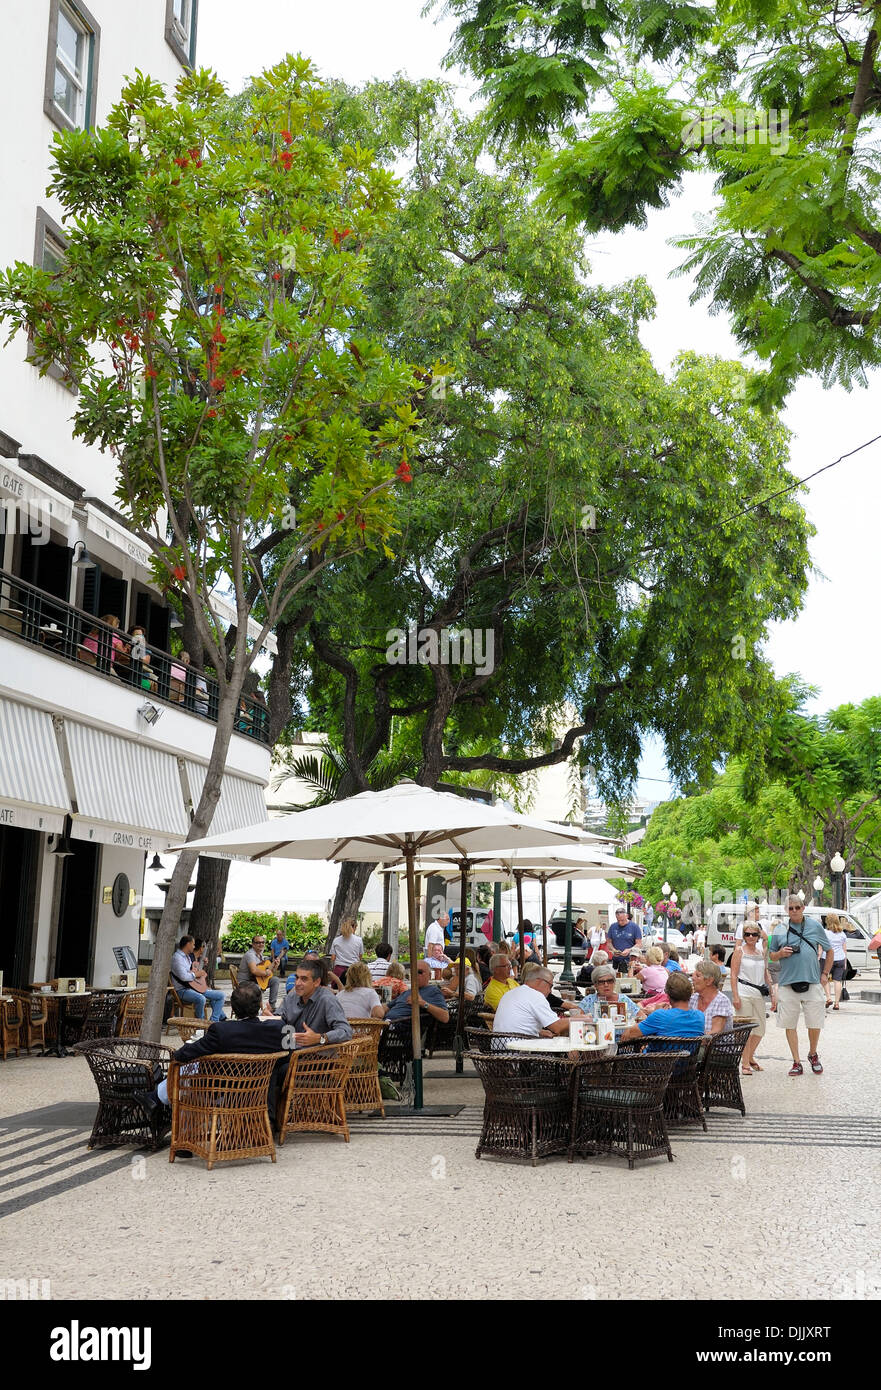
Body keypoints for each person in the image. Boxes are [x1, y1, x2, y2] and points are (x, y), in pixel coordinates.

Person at [143, 983, 288, 1135]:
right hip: (259, 1091)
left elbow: (181, 1055)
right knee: (193, 1069)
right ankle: (156, 1098)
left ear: (233, 1007)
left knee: (188, 1068)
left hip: (220, 1092)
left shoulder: (221, 1030)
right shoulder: (278, 1029)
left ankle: (160, 1103)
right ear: (259, 1006)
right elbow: (289, 1054)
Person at [769, 895, 833, 1075]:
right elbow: (771, 955)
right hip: (788, 984)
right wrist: (781, 953)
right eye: (791, 908)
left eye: (797, 907)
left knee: (815, 1023)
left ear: (803, 908)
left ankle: (813, 1054)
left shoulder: (815, 926)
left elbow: (829, 951)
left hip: (812, 982)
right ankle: (796, 1062)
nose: (794, 911)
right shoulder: (781, 929)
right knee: (790, 1024)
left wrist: (825, 974)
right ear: (786, 910)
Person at [730, 923, 772, 1074]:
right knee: (745, 1030)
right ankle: (745, 1063)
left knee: (760, 1029)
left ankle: (749, 1056)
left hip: (758, 993)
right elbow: (733, 975)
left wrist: (773, 993)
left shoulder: (760, 952)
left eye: (754, 934)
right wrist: (735, 996)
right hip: (743, 992)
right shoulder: (739, 951)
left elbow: (766, 973)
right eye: (747, 934)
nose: (750, 937)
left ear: (758, 936)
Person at [280, 959, 353, 1046]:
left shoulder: (327, 999)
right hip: (289, 1048)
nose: (297, 983)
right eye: (297, 978)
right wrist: (270, 1018)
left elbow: (346, 1031)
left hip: (316, 1056)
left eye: (304, 979)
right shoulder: (292, 996)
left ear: (316, 982)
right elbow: (279, 1017)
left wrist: (320, 1038)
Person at [620, 969, 706, 1041]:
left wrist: (654, 1013)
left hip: (657, 1060)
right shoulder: (700, 1016)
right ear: (690, 993)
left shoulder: (660, 1016)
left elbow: (629, 1034)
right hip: (689, 1060)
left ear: (667, 995)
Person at [492, 967, 573, 1037]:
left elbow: (516, 1024)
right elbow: (557, 1027)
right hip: (518, 1051)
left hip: (499, 1048)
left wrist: (539, 1032)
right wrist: (583, 1019)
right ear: (539, 981)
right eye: (550, 986)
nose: (550, 991)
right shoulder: (535, 996)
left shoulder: (511, 993)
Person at [170, 934, 226, 1022]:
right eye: (193, 944)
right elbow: (184, 977)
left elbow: (192, 970)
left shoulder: (187, 957)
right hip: (182, 990)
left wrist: (200, 966)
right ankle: (200, 1024)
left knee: (221, 995)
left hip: (193, 987)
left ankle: (213, 1021)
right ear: (188, 944)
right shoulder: (177, 958)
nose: (194, 946)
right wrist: (196, 974)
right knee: (201, 998)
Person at [385, 960, 450, 1028]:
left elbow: (445, 1017)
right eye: (413, 972)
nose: (415, 975)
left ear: (429, 975)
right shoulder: (407, 992)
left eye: (420, 972)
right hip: (386, 1024)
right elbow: (386, 1007)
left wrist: (423, 1003)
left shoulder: (433, 991)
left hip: (398, 1030)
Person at [690, 960, 735, 1035]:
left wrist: (693, 1040)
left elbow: (715, 1032)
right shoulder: (693, 999)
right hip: (695, 1044)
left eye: (697, 976)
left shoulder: (721, 1001)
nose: (692, 978)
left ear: (709, 981)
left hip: (717, 1045)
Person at [238, 933, 274, 1008]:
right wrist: (265, 973)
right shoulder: (250, 955)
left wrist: (275, 965)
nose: (261, 944)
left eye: (262, 942)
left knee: (275, 980)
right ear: (253, 944)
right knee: (257, 987)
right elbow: (254, 971)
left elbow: (267, 970)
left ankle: (272, 1006)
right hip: (245, 981)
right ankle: (256, 1010)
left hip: (255, 979)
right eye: (258, 943)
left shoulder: (260, 954)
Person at [823, 913, 848, 1010]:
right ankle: (837, 1003)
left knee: (825, 979)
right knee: (837, 981)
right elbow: (845, 949)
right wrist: (845, 962)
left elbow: (822, 946)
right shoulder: (842, 934)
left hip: (827, 958)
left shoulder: (825, 933)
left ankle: (829, 998)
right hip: (840, 958)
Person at [608, 906, 642, 974]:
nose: (620, 922)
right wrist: (613, 950)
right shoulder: (613, 926)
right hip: (616, 960)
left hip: (630, 960)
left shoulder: (634, 927)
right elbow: (609, 943)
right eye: (618, 920)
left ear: (627, 916)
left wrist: (629, 950)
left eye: (622, 920)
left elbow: (639, 944)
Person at [329, 917, 364, 982]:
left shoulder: (336, 940)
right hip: (354, 970)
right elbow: (360, 957)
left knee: (337, 989)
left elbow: (333, 958)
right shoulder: (359, 940)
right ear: (353, 927)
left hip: (339, 970)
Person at [268, 926, 290, 1009]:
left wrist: (278, 959)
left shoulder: (285, 942)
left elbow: (283, 952)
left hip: (282, 956)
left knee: (283, 960)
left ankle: (282, 973)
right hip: (275, 955)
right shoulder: (274, 941)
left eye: (280, 934)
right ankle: (269, 972)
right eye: (277, 934)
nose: (279, 936)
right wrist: (273, 958)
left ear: (282, 935)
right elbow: (272, 951)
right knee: (268, 960)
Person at [180, 651, 209, 715]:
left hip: (199, 709)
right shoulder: (183, 674)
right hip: (189, 705)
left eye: (183, 661)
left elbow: (198, 690)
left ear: (188, 661)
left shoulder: (198, 676)